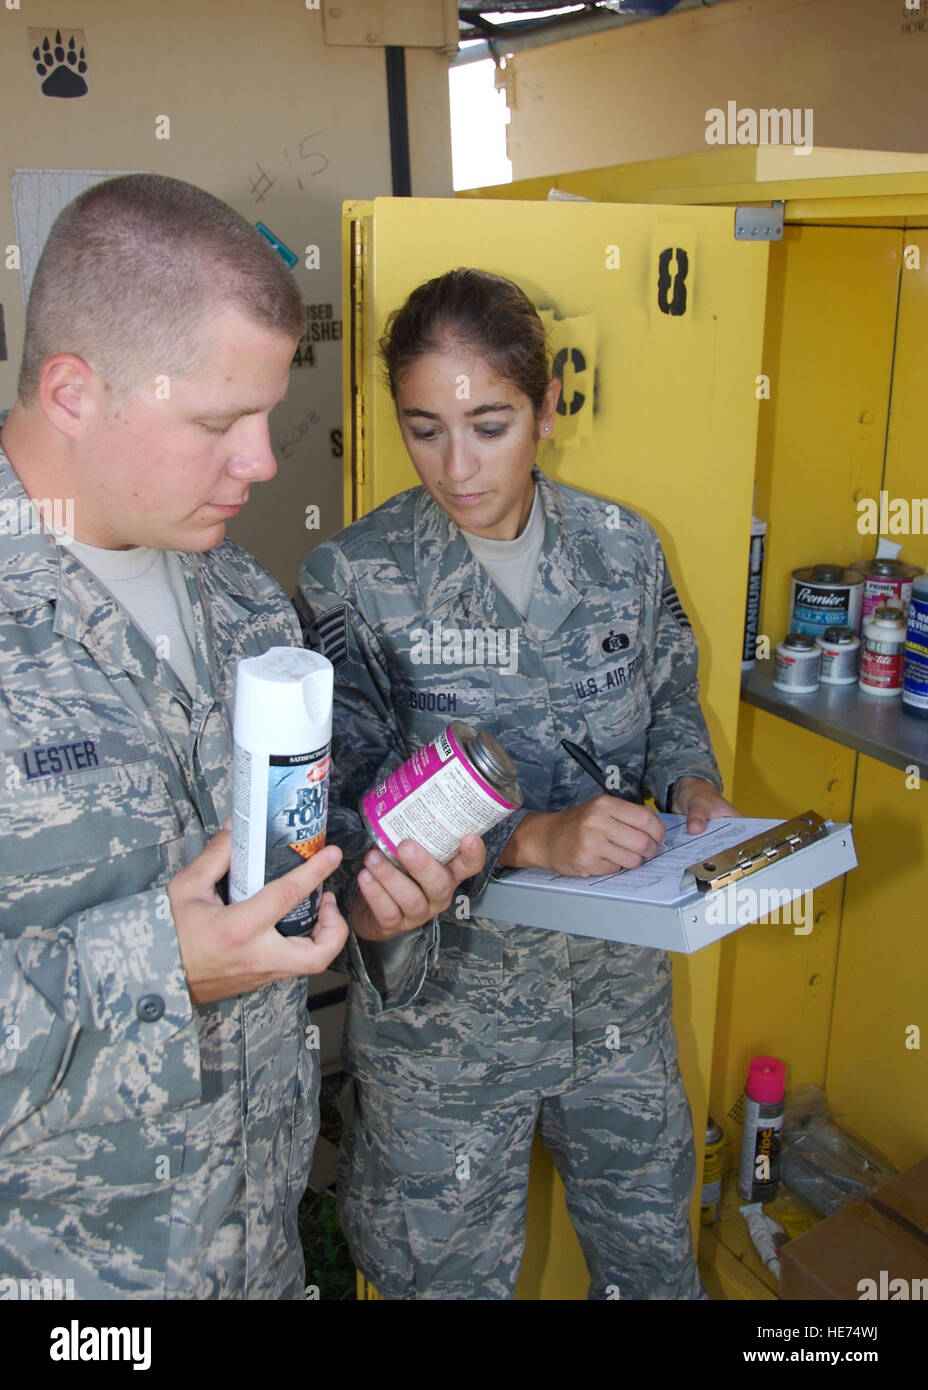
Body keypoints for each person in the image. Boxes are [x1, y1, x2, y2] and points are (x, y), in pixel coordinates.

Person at [0, 176, 481, 1301]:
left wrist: (374, 901)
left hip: (257, 1257)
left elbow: (284, 888)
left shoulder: (247, 604)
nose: (264, 462)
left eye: (266, 414)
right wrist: (154, 967)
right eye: (219, 422)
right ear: (72, 390)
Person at [297, 267, 739, 1301]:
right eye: (423, 429)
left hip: (616, 1007)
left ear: (547, 408)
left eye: (489, 425)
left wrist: (689, 783)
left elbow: (669, 685)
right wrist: (529, 836)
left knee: (650, 1273)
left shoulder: (622, 547)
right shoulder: (354, 577)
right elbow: (332, 816)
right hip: (446, 1026)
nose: (456, 466)